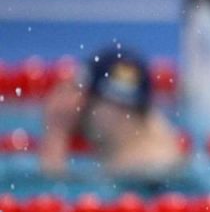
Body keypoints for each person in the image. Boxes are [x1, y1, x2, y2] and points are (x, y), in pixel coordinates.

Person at [39, 46, 185, 180]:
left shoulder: (137, 172)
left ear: (115, 107)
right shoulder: (156, 131)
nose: (79, 111)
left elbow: (54, 191)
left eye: (87, 101)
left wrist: (56, 135)